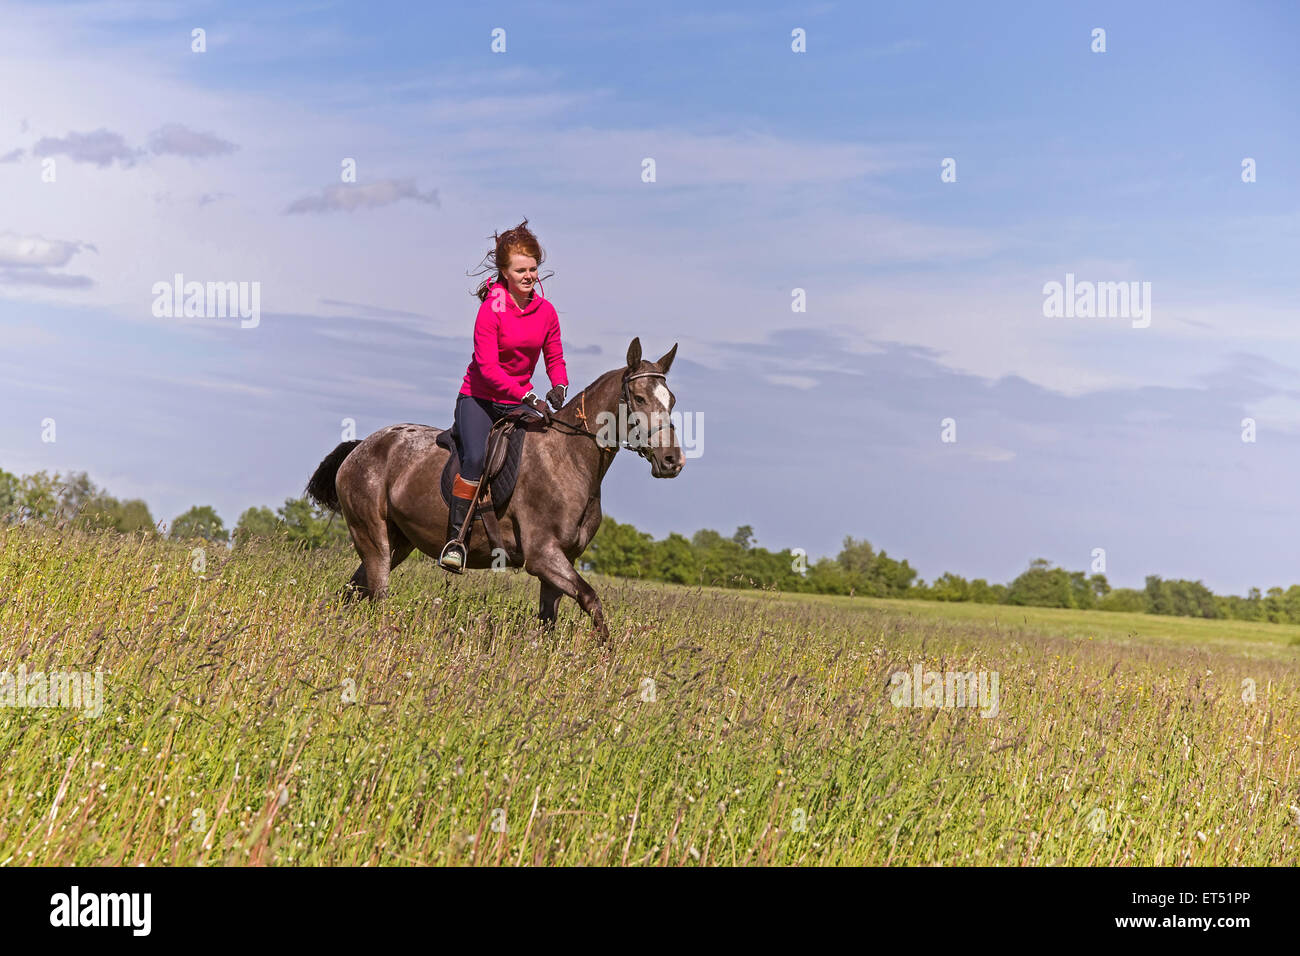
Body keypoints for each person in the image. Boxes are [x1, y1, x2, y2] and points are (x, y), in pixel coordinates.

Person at [439, 220, 569, 572]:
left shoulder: (546, 312)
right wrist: (527, 394)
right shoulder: (491, 309)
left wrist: (559, 385)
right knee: (477, 458)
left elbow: (554, 356)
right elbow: (487, 367)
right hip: (479, 399)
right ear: (504, 273)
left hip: (517, 401)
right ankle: (456, 540)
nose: (529, 276)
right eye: (521, 270)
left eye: (533, 269)